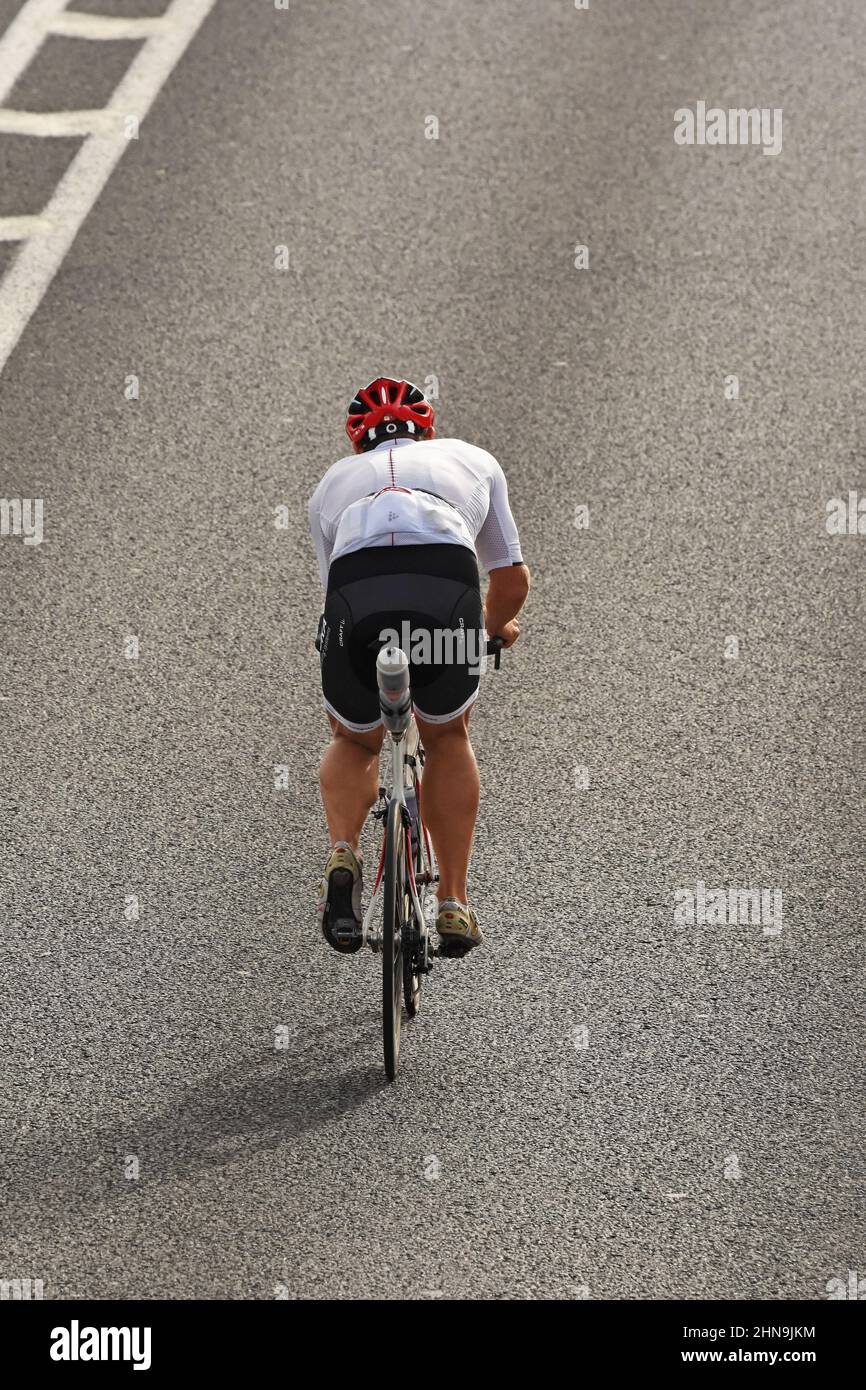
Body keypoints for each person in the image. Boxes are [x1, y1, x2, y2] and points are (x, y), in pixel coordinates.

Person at [308, 377, 530, 955]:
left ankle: (343, 853)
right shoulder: (473, 459)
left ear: (358, 443)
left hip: (357, 596)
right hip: (443, 586)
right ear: (429, 429)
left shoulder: (332, 484)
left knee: (355, 742)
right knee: (448, 733)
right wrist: (487, 631)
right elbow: (511, 579)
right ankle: (453, 903)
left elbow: (332, 587)